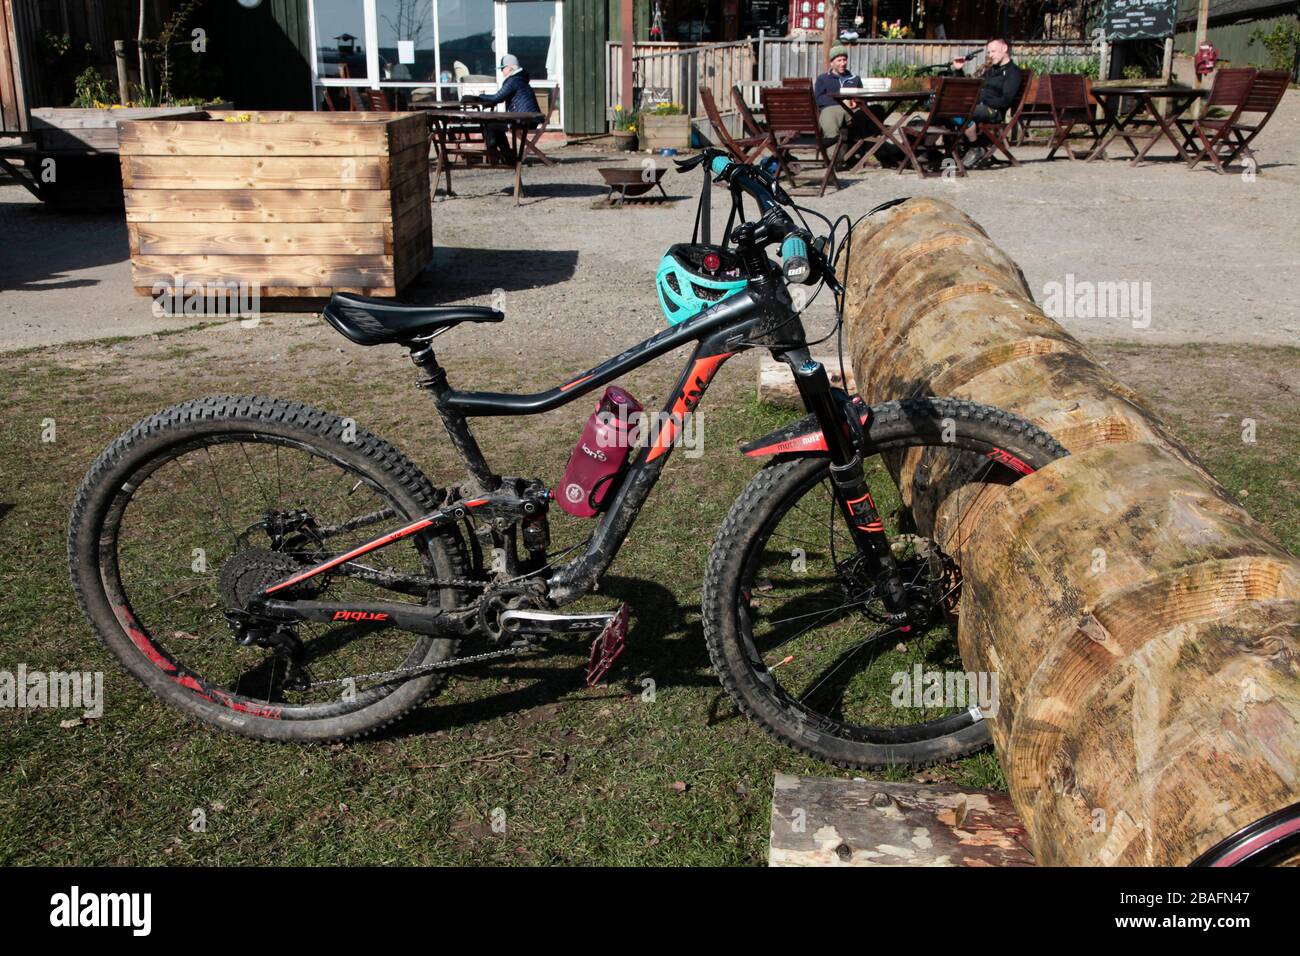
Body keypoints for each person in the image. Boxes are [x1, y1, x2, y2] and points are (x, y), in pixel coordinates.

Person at [948, 37, 1021, 167]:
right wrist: (959, 70)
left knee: (961, 111)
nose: (990, 55)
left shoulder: (1013, 72)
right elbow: (971, 88)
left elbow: (1005, 101)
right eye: (988, 52)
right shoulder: (990, 71)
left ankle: (975, 148)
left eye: (993, 51)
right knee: (945, 109)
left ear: (1004, 49)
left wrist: (982, 98)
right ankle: (927, 148)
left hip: (994, 111)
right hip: (979, 107)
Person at [466, 54, 542, 161]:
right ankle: (506, 155)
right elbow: (499, 97)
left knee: (490, 124)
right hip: (528, 118)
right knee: (494, 124)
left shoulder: (513, 81)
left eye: (503, 68)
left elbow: (497, 98)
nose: (502, 71)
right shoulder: (520, 79)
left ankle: (495, 156)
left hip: (524, 120)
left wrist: (478, 97)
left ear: (510, 67)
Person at [814, 45, 870, 145]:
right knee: (830, 126)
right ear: (831, 63)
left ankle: (862, 148)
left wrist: (856, 102)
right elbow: (819, 99)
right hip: (830, 110)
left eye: (844, 60)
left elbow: (863, 98)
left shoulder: (855, 79)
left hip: (852, 112)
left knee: (877, 110)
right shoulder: (823, 79)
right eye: (839, 60)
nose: (843, 63)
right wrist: (841, 102)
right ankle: (834, 159)